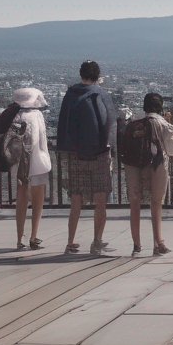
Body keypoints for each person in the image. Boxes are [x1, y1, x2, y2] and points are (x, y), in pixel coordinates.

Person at [56, 60, 118, 256]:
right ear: (97, 76)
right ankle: (97, 242)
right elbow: (111, 122)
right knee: (100, 200)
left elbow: (63, 122)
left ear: (81, 74)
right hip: (100, 154)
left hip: (76, 154)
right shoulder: (101, 94)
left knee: (76, 200)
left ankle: (70, 242)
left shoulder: (70, 94)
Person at [125, 93, 173, 255]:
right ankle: (158, 243)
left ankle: (136, 245)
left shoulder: (133, 124)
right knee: (156, 202)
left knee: (135, 202)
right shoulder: (161, 123)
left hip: (133, 164)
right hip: (156, 164)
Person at [11, 88, 51, 251]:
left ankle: (20, 237)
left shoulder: (15, 116)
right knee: (37, 202)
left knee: (21, 201)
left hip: (20, 165)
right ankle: (33, 236)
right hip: (38, 164)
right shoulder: (36, 116)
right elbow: (39, 142)